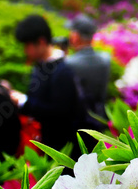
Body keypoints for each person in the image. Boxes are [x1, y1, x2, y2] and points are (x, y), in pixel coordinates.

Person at [13, 15, 87, 154]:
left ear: (41, 41)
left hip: (64, 148)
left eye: (27, 45)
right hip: (48, 143)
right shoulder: (41, 66)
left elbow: (60, 111)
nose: (25, 51)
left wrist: (24, 102)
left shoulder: (63, 70)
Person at [65, 15, 112, 123]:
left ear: (75, 36)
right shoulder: (105, 59)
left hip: (75, 121)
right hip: (99, 118)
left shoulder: (68, 63)